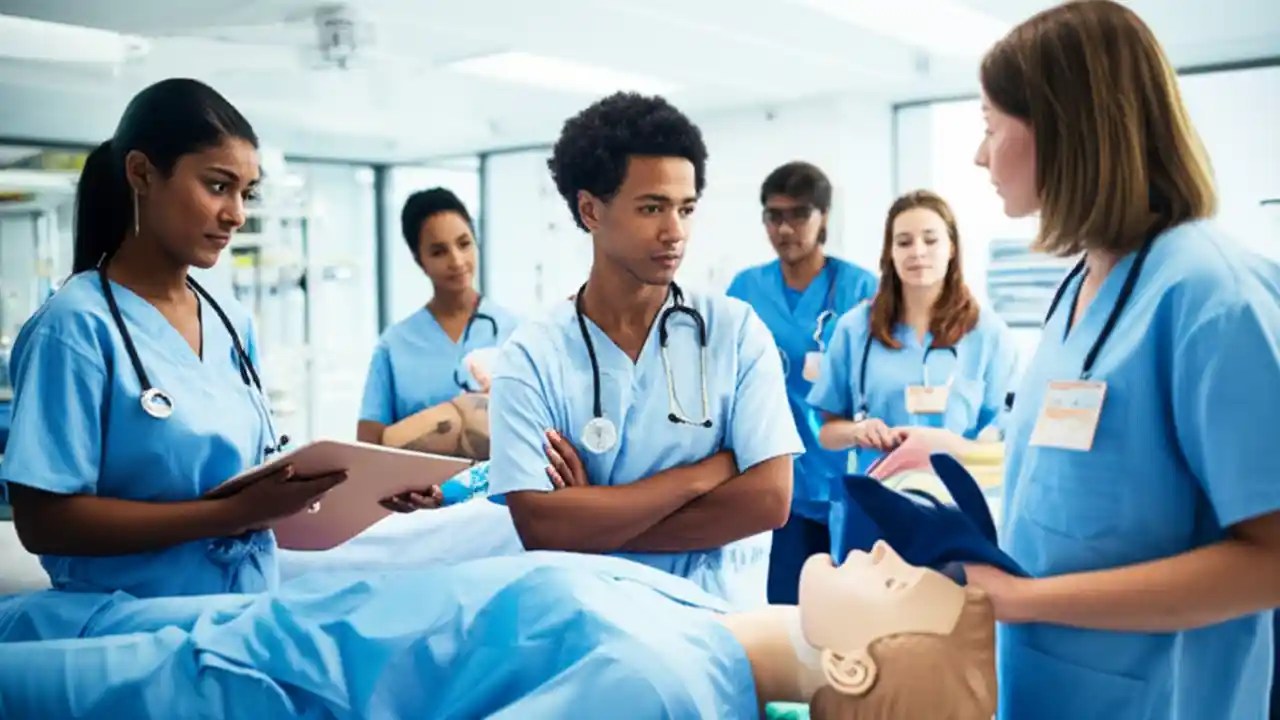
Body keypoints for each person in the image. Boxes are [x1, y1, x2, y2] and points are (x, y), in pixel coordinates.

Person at [957, 3, 1280, 719]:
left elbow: (1272, 560)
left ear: (1064, 126)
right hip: (1044, 685)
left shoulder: (1212, 297)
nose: (981, 156)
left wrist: (1027, 599)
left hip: (1163, 697)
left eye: (989, 127)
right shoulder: (1080, 282)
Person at [0, 78, 363, 600]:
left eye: (246, 193)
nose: (236, 213)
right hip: (134, 629)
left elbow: (250, 487)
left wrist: (361, 494)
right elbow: (44, 522)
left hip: (244, 607)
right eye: (218, 186)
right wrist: (227, 516)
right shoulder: (76, 327)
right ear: (142, 174)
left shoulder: (231, 322)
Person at [0, 541, 998, 720]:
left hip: (255, 683)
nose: (885, 559)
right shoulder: (707, 623)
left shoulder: (662, 693)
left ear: (849, 663)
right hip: (265, 621)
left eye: (902, 588)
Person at [486, 92, 803, 610]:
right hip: (592, 630)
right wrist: (697, 478)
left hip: (722, 630)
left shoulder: (734, 331)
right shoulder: (532, 357)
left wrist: (593, 522)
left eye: (686, 208)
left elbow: (769, 500)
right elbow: (540, 522)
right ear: (590, 209)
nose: (674, 231)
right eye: (652, 208)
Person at [807, 190, 1017, 560]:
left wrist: (947, 444)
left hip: (959, 510)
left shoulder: (988, 333)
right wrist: (858, 431)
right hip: (877, 507)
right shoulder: (856, 329)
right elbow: (827, 432)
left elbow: (1005, 443)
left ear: (952, 248)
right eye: (903, 242)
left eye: (930, 240)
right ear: (890, 252)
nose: (917, 251)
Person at [726, 161, 878, 605]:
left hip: (846, 475)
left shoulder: (860, 288)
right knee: (785, 610)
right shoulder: (746, 288)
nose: (785, 228)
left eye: (799, 215)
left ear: (824, 217)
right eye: (774, 216)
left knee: (852, 612)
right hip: (776, 476)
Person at [356, 188, 515, 457]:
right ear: (420, 260)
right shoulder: (395, 345)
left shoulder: (516, 332)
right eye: (438, 251)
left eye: (464, 244)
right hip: (416, 494)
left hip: (499, 495)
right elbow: (369, 442)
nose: (456, 261)